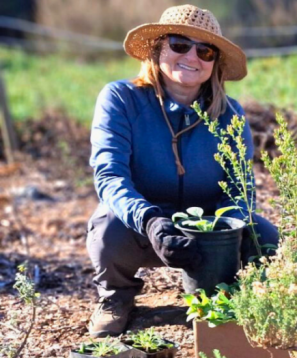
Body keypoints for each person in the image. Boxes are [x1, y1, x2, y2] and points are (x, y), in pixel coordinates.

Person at [87, 4, 278, 337]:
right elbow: (109, 175)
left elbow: (240, 188)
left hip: (208, 224)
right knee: (106, 230)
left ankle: (224, 297)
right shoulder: (121, 99)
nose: (192, 56)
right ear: (159, 48)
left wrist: (220, 232)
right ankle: (116, 297)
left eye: (205, 50)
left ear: (214, 62)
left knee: (263, 236)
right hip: (144, 225)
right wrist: (149, 220)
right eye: (179, 45)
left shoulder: (230, 114)